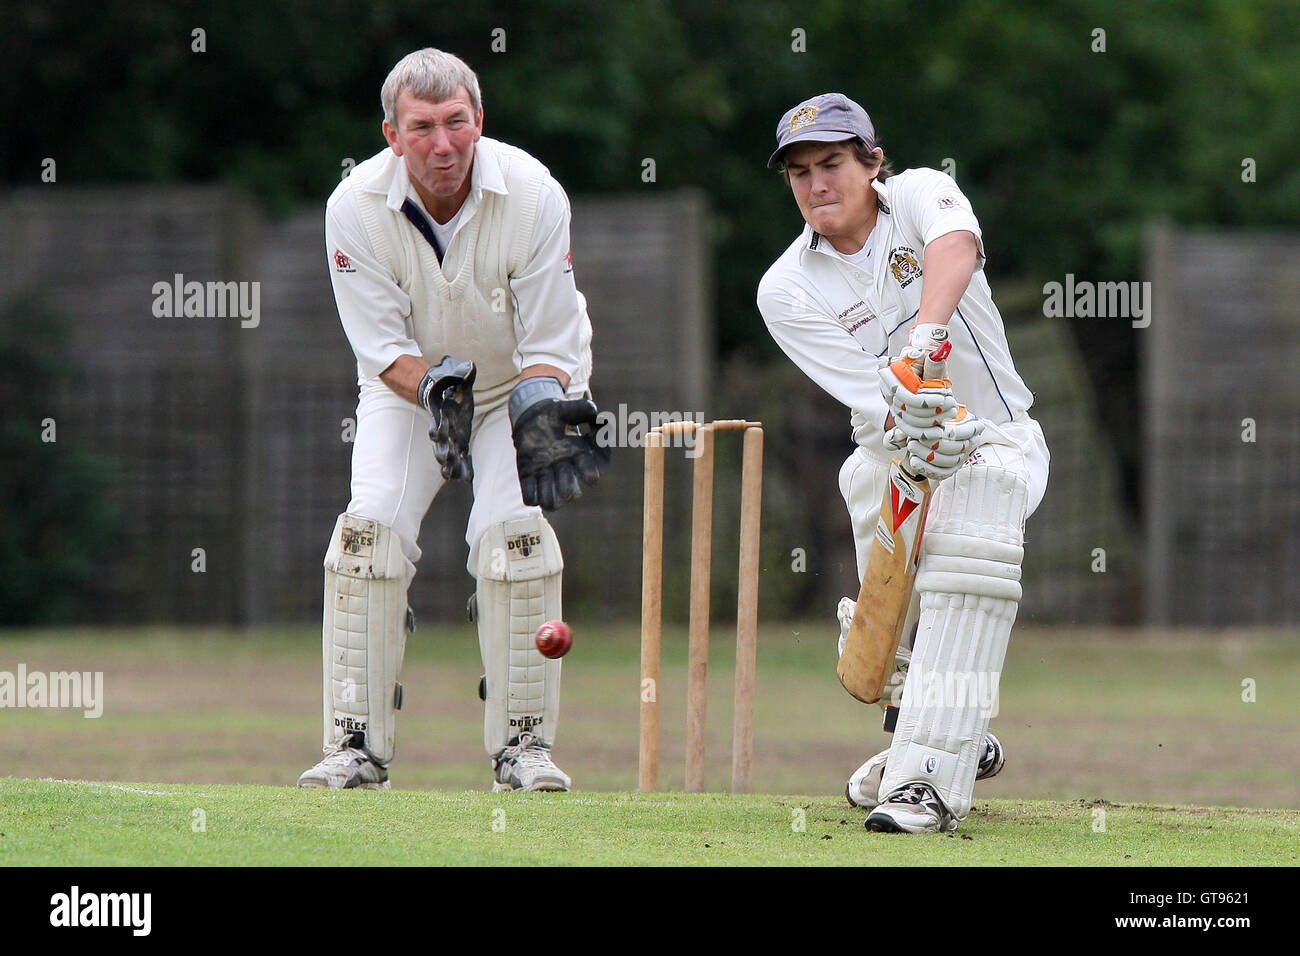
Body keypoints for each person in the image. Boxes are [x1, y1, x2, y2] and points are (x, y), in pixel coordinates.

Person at [298, 48, 608, 793]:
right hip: (408, 391)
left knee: (515, 542)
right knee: (368, 535)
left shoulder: (534, 194)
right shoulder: (353, 208)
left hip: (518, 388)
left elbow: (551, 341)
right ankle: (355, 746)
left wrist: (541, 405)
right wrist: (435, 390)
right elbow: (381, 350)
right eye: (422, 127)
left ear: (480, 121)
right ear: (392, 133)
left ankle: (523, 749)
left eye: (456, 123)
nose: (443, 145)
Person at [757, 93, 1049, 833]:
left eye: (831, 163)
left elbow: (958, 246)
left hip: (998, 439)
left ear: (871, 162)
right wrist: (913, 417)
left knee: (973, 520)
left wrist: (922, 343)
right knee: (865, 482)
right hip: (897, 453)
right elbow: (872, 398)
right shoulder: (784, 286)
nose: (817, 183)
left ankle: (926, 783)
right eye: (800, 173)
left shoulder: (918, 192)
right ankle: (931, 719)